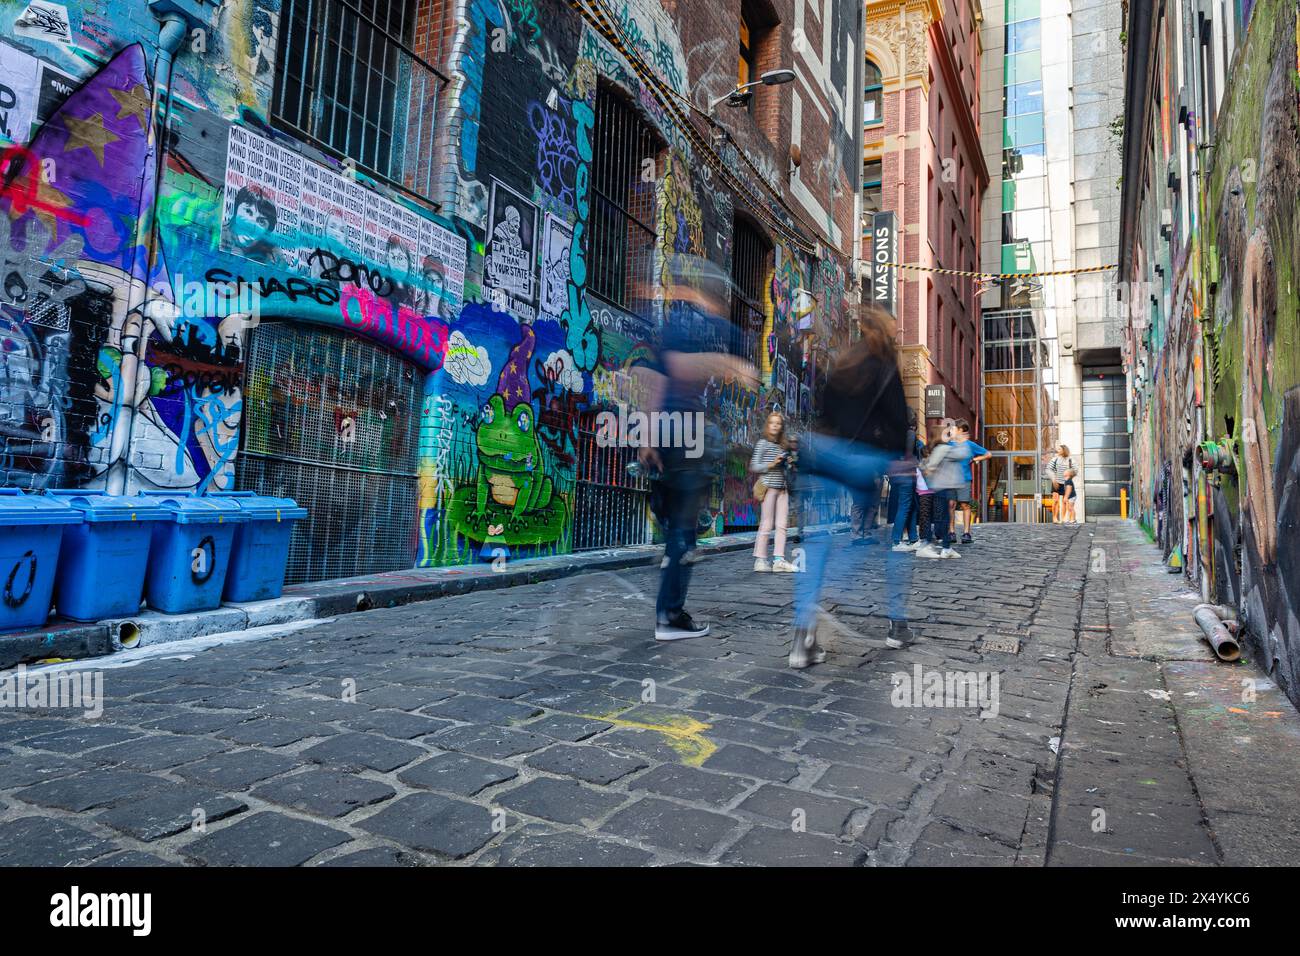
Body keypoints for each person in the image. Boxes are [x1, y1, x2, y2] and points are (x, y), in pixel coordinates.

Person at [635, 261, 758, 642]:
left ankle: (673, 557)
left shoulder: (672, 324)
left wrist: (648, 435)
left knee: (677, 524)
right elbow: (678, 370)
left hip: (671, 432)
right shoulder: (715, 329)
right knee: (684, 531)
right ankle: (670, 615)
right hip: (687, 432)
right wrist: (725, 364)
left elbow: (657, 380)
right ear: (716, 294)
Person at [790, 305, 914, 667]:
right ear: (887, 327)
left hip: (824, 456)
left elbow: (824, 412)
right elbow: (896, 418)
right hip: (862, 460)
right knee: (888, 545)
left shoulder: (843, 362)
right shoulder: (885, 362)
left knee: (817, 546)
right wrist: (898, 456)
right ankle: (896, 625)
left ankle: (803, 637)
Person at [751, 410, 797, 572]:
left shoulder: (783, 446)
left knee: (782, 525)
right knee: (766, 523)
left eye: (778, 423)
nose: (775, 426)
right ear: (767, 425)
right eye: (772, 423)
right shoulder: (762, 444)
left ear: (781, 426)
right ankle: (760, 560)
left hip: (783, 489)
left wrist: (790, 463)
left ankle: (779, 560)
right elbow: (754, 466)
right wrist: (772, 463)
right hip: (768, 487)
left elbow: (790, 468)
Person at [917, 418, 962, 559]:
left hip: (934, 487)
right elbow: (926, 466)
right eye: (945, 434)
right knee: (936, 516)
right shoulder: (938, 449)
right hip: (933, 488)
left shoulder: (936, 448)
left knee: (939, 517)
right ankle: (929, 545)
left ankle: (941, 545)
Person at [947, 419, 991, 544]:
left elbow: (988, 454)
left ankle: (967, 533)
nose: (952, 430)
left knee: (965, 505)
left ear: (960, 430)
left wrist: (976, 459)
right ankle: (951, 532)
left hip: (964, 479)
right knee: (951, 505)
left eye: (954, 428)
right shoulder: (949, 444)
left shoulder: (970, 445)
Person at [889, 408, 925, 551]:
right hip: (906, 475)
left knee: (911, 506)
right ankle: (896, 540)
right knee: (905, 506)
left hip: (896, 475)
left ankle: (913, 538)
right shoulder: (909, 433)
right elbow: (909, 455)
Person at [1044, 444, 1077, 522]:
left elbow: (1075, 470)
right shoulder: (1055, 459)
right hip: (1056, 482)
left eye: (1059, 449)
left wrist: (1070, 477)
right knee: (1055, 501)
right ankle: (1055, 518)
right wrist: (1053, 479)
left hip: (1066, 483)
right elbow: (1048, 469)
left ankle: (1063, 518)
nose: (1057, 451)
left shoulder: (1070, 460)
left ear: (1063, 450)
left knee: (1065, 501)